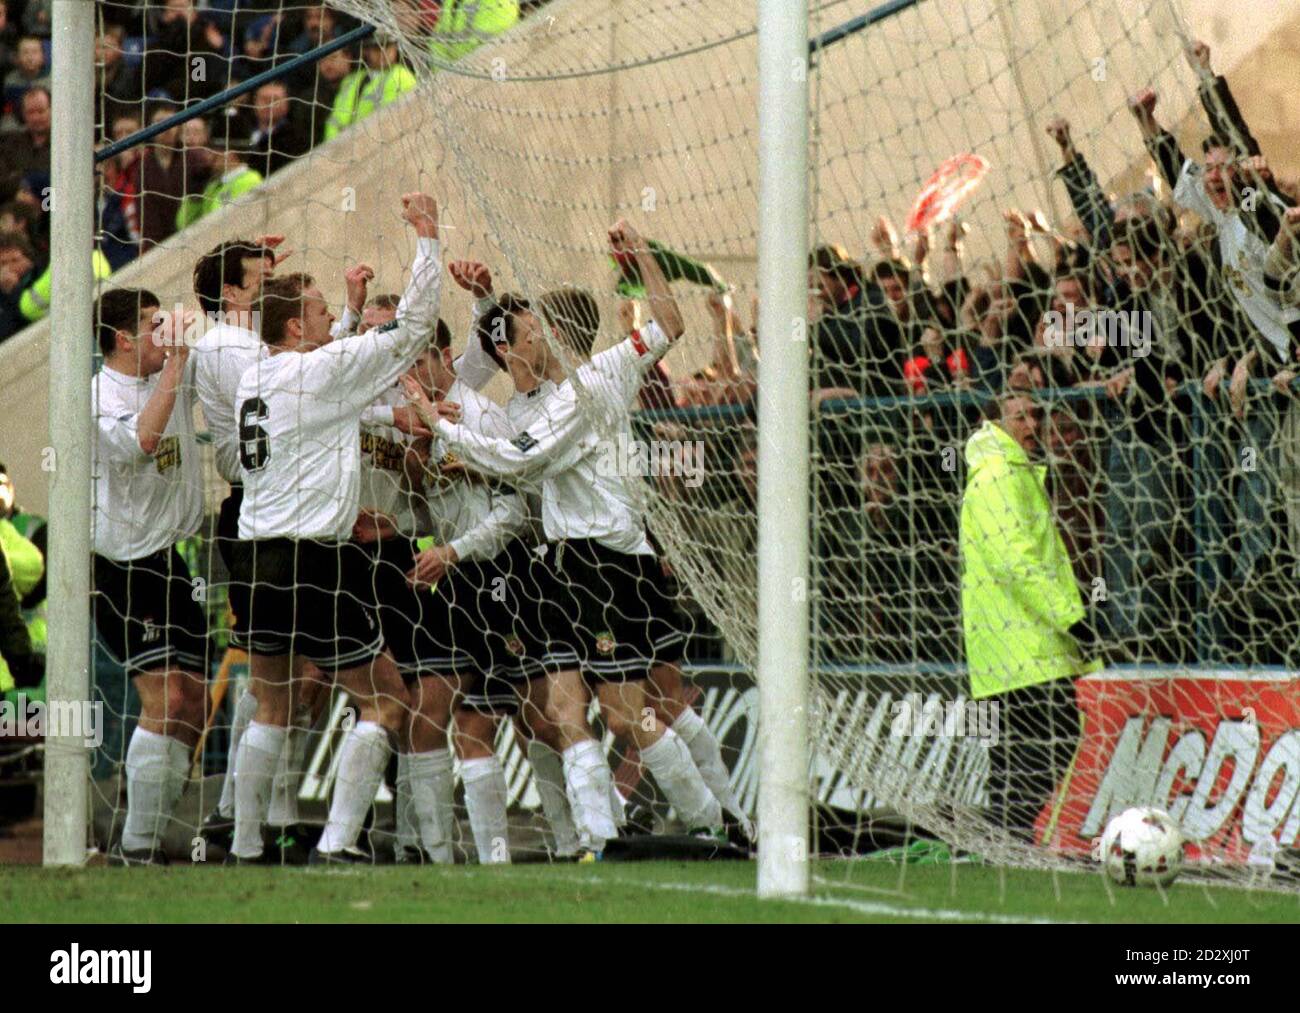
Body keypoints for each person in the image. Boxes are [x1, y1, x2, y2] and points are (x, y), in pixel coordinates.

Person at [407, 224, 732, 855]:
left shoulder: (580, 391)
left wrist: (646, 254)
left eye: (534, 325)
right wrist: (644, 257)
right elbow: (515, 464)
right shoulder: (551, 395)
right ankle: (653, 830)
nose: (531, 335)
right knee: (609, 709)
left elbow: (515, 460)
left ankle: (705, 825)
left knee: (627, 715)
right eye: (525, 330)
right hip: (591, 565)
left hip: (604, 567)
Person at [228, 191, 442, 864]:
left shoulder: (253, 379)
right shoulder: (320, 371)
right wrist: (427, 241)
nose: (333, 321)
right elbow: (409, 332)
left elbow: (332, 378)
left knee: (273, 705)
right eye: (322, 313)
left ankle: (242, 841)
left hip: (256, 554)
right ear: (296, 327)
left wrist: (347, 312)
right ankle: (338, 841)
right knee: (385, 700)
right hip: (316, 557)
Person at [91, 289, 208, 864]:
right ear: (123, 338)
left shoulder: (172, 367)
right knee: (165, 697)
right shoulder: (95, 395)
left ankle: (153, 829)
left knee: (196, 704)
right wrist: (181, 362)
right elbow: (143, 442)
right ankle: (134, 844)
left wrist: (242, 285)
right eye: (149, 323)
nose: (162, 330)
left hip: (169, 559)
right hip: (122, 563)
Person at [960, 392, 1098, 839]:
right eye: (1020, 416)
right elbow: (1015, 560)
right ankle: (1005, 841)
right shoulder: (999, 475)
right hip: (1021, 646)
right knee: (1047, 745)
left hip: (1011, 649)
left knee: (1016, 760)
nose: (1031, 425)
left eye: (1036, 415)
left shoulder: (1009, 471)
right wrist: (1071, 618)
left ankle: (1001, 846)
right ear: (997, 421)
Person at [322, 34, 417, 143]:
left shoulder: (401, 76)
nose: (383, 53)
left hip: (380, 144)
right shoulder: (351, 80)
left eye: (387, 46)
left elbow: (389, 120)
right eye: (377, 48)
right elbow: (335, 121)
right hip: (344, 147)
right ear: (366, 51)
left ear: (395, 48)